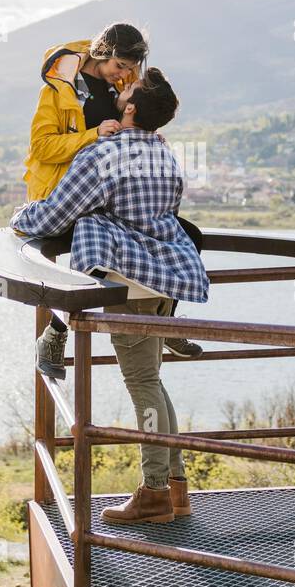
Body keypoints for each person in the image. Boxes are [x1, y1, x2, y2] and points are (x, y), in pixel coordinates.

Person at [11, 68, 206, 524]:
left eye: (129, 90)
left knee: (143, 385)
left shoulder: (103, 154)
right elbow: (170, 210)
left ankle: (154, 493)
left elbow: (55, 214)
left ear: (132, 108)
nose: (121, 90)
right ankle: (176, 490)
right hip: (167, 279)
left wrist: (21, 212)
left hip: (130, 285)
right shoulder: (164, 154)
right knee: (153, 381)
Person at [22, 23, 203, 379]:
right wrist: (92, 135)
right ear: (102, 52)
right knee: (94, 252)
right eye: (120, 66)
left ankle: (165, 321)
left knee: (188, 235)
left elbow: (136, 116)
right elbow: (41, 147)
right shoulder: (59, 90)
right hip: (69, 194)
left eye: (130, 70)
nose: (125, 75)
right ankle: (56, 335)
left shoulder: (119, 82)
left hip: (110, 195)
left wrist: (148, 138)